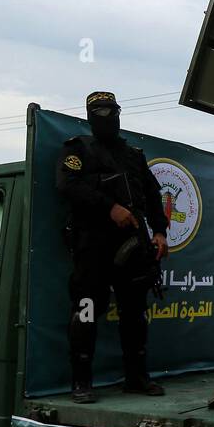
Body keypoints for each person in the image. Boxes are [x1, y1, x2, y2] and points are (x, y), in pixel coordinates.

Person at [56, 91, 169, 403]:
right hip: (93, 244)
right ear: (91, 117)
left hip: (132, 246)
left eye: (113, 112)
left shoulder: (133, 154)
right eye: (102, 113)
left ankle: (136, 377)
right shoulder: (78, 151)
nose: (109, 119)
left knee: (134, 312)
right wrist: (110, 208)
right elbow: (68, 186)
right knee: (87, 311)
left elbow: (152, 194)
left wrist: (160, 232)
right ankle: (81, 382)